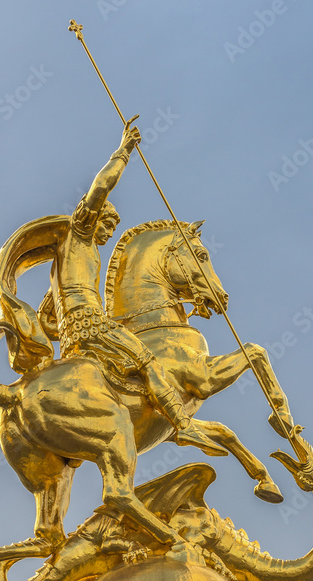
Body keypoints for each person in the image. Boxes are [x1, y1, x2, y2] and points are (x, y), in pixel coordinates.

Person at [49, 116, 225, 457]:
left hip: (77, 338)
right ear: (92, 216)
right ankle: (183, 425)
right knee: (146, 358)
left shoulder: (78, 257)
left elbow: (49, 315)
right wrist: (124, 151)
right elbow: (100, 188)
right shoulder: (80, 234)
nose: (109, 231)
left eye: (114, 226)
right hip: (90, 326)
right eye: (107, 222)